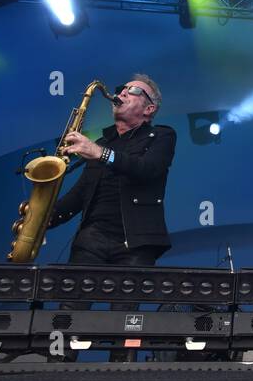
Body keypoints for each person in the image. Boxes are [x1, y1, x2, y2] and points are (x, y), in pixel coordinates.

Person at [49, 74, 175, 267]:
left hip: (137, 241)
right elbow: (81, 193)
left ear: (149, 109)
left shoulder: (161, 135)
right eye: (122, 89)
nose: (122, 92)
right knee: (71, 297)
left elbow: (147, 169)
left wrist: (101, 153)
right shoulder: (102, 143)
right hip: (91, 237)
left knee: (125, 298)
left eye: (133, 91)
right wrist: (43, 215)